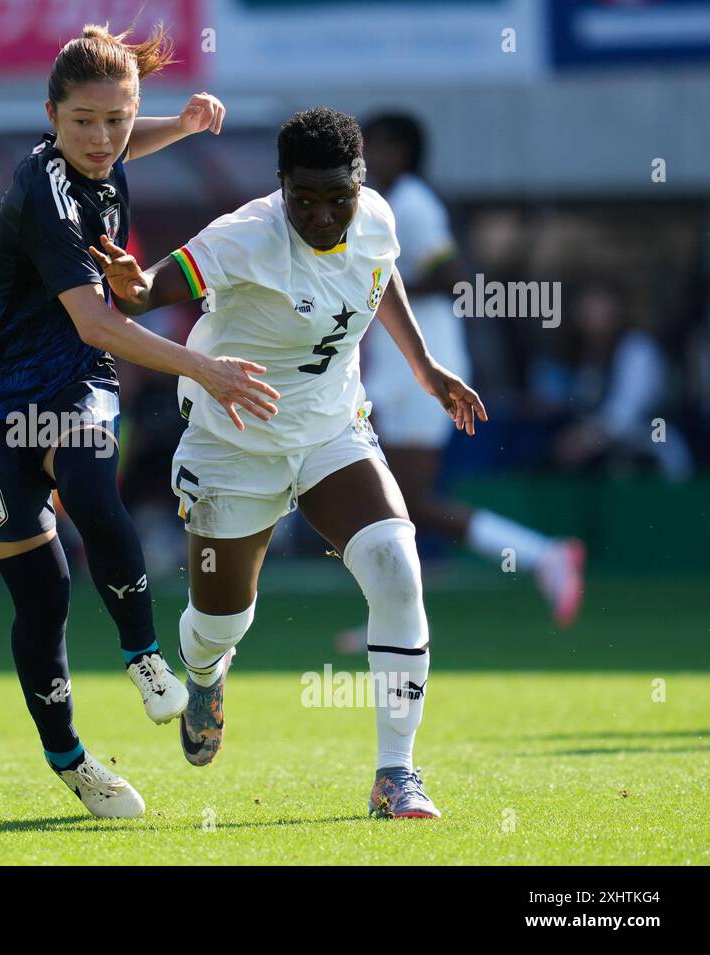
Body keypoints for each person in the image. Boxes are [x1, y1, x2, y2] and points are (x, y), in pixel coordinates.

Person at [90, 106, 486, 819]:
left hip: (333, 431)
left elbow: (380, 274)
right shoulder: (246, 236)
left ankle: (396, 772)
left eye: (338, 196)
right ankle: (207, 672)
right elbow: (151, 290)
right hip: (233, 443)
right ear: (281, 186)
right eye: (304, 198)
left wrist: (425, 368)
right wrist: (129, 283)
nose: (323, 213)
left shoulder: (376, 217)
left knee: (397, 565)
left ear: (359, 184)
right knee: (221, 622)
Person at [0, 23, 277, 819]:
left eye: (118, 119)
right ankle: (74, 763)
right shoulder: (42, 187)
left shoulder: (108, 157)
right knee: (42, 596)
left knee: (92, 488)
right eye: (83, 120)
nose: (103, 137)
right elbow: (96, 321)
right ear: (51, 115)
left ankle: (144, 654)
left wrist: (178, 129)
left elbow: (119, 145)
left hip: (75, 385)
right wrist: (204, 367)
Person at [354, 113, 585, 637]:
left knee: (405, 503)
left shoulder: (412, 203)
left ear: (403, 153)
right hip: (395, 372)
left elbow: (454, 279)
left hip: (423, 368)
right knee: (383, 498)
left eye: (378, 146)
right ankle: (391, 621)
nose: (368, 155)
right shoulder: (387, 203)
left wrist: (379, 290)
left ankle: (544, 556)